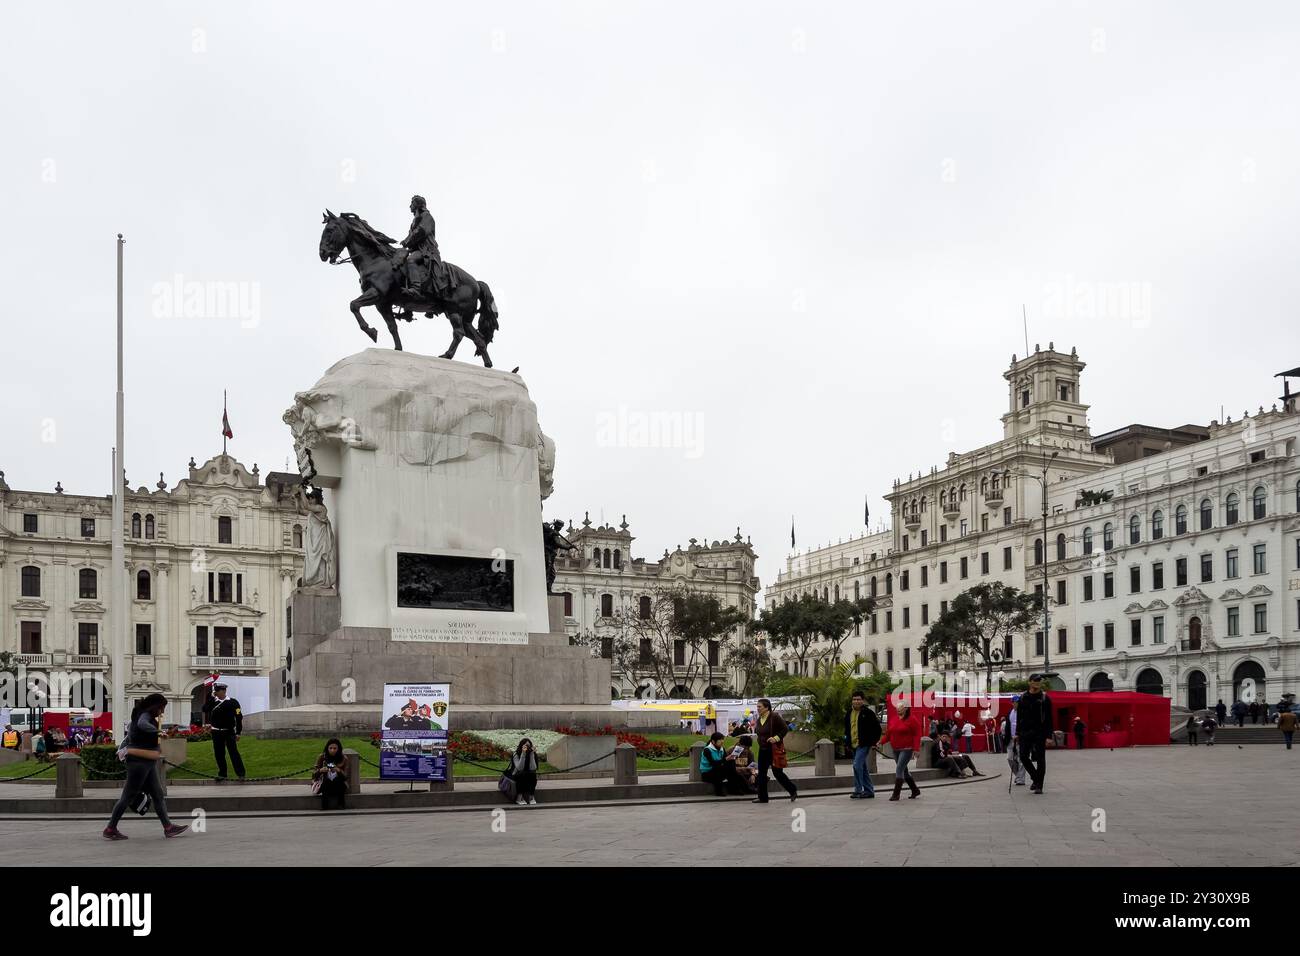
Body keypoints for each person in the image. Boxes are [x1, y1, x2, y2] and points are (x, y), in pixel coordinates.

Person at [103, 693, 188, 840]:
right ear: (155, 706)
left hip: (146, 762)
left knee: (157, 794)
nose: (162, 712)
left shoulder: (141, 715)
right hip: (139, 762)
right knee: (127, 796)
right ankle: (110, 828)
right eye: (161, 708)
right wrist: (158, 731)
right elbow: (143, 725)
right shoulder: (144, 716)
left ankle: (168, 827)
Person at [751, 698, 797, 804]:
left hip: (773, 749)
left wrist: (775, 738)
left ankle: (792, 789)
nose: (757, 709)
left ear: (767, 707)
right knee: (762, 774)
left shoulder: (774, 717)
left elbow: (785, 729)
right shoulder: (759, 719)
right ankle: (763, 798)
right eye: (757, 707)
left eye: (759, 707)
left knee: (777, 773)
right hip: (763, 750)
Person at [1015, 674, 1054, 794]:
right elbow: (1019, 717)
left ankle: (1039, 785)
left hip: (1040, 732)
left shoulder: (1044, 698)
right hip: (1025, 732)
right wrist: (1017, 733)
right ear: (1030, 682)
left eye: (1039, 681)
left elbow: (1049, 718)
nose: (1037, 683)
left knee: (1040, 759)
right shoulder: (1022, 698)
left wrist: (1049, 736)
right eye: (1035, 681)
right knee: (1023, 756)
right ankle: (1035, 778)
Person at [202, 682, 246, 782]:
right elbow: (204, 709)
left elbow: (239, 717)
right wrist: (211, 699)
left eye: (218, 691)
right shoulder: (213, 701)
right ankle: (222, 774)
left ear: (224, 691)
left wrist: (238, 732)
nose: (216, 693)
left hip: (229, 731)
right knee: (219, 754)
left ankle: (241, 774)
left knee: (233, 753)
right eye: (215, 691)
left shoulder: (233, 702)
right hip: (216, 732)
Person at [844, 691, 883, 800]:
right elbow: (847, 730)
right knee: (863, 767)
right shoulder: (848, 713)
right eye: (854, 699)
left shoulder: (868, 713)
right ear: (852, 700)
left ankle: (858, 790)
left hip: (864, 744)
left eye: (858, 699)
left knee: (857, 765)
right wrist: (847, 743)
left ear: (862, 700)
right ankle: (869, 790)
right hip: (853, 744)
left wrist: (874, 742)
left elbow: (877, 729)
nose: (856, 701)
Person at [882, 701, 922, 800]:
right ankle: (915, 790)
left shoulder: (912, 720)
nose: (898, 708)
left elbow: (917, 735)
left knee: (899, 769)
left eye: (900, 707)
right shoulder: (894, 719)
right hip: (895, 748)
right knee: (904, 771)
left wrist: (916, 749)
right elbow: (888, 734)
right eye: (897, 707)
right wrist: (880, 742)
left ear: (906, 708)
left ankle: (896, 794)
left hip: (907, 749)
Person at [699, 732, 744, 796]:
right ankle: (720, 791)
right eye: (719, 740)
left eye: (722, 739)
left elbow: (724, 762)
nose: (722, 741)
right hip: (707, 773)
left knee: (731, 763)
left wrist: (732, 758)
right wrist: (726, 759)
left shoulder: (722, 749)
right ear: (713, 741)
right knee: (718, 770)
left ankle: (734, 789)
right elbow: (713, 764)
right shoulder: (707, 750)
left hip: (717, 770)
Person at [312, 739, 350, 810]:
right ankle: (324, 806)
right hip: (325, 782)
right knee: (325, 783)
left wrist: (339, 770)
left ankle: (341, 805)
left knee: (339, 783)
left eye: (335, 748)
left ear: (339, 749)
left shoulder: (344, 758)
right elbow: (314, 774)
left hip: (338, 782)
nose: (332, 750)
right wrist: (320, 770)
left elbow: (345, 776)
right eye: (330, 748)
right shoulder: (322, 757)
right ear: (327, 748)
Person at [508, 738, 540, 805]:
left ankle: (531, 797)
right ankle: (519, 797)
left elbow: (533, 768)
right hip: (516, 775)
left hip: (528, 775)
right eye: (525, 746)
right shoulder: (516, 754)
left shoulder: (533, 754)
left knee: (533, 774)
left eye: (528, 746)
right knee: (521, 774)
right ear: (521, 746)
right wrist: (523, 753)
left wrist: (531, 755)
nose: (527, 747)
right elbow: (519, 768)